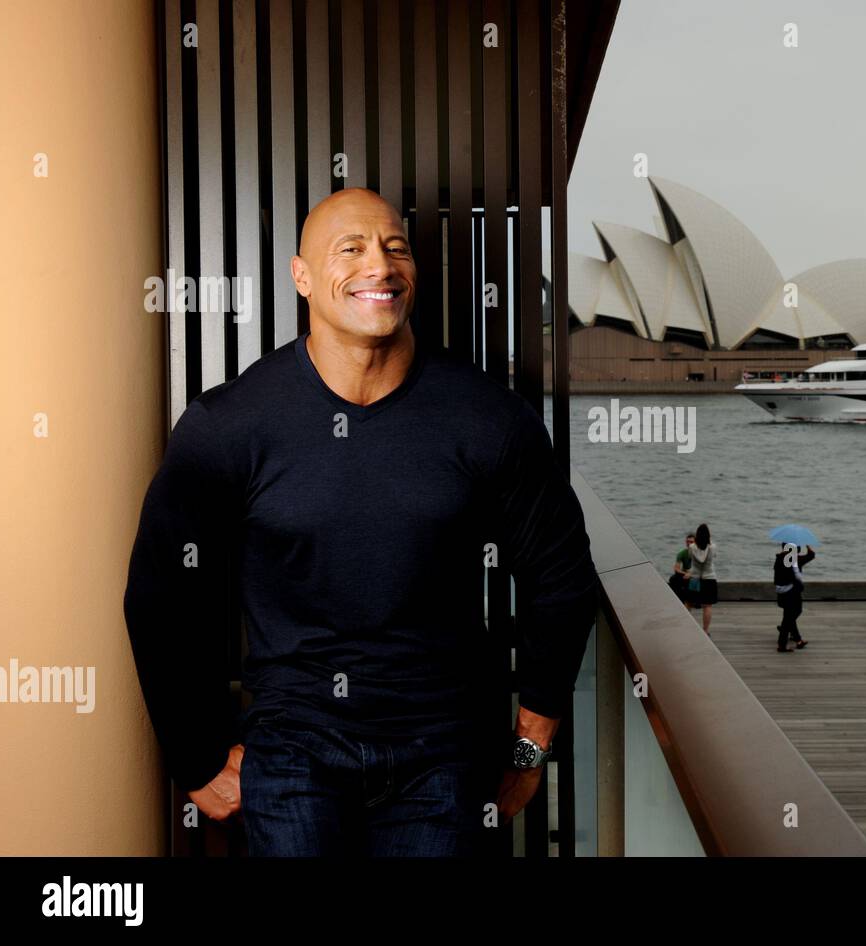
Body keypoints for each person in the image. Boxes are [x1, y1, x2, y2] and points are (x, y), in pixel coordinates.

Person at [123, 187, 598, 857]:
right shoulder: (229, 425)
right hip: (293, 750)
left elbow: (560, 574)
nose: (380, 265)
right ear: (303, 277)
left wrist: (531, 737)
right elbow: (159, 595)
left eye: (395, 248)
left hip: (445, 750)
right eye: (352, 249)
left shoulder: (487, 416)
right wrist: (198, 755)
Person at [773, 542, 816, 652]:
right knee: (790, 616)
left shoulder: (779, 558)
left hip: (781, 592)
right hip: (791, 593)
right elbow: (811, 555)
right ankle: (782, 643)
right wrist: (807, 544)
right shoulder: (793, 559)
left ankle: (797, 640)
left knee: (789, 616)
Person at [687, 523, 719, 635]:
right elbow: (714, 557)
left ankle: (687, 627)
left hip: (695, 578)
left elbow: (690, 557)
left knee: (689, 603)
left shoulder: (691, 547)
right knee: (707, 605)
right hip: (709, 578)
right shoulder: (712, 547)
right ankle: (705, 630)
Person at [668, 533, 696, 606]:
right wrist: (685, 573)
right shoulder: (682, 553)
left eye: (691, 542)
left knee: (694, 579)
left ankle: (694, 600)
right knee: (673, 579)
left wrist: (690, 574)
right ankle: (679, 601)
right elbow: (676, 568)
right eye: (687, 542)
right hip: (685, 575)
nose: (689, 544)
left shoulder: (699, 553)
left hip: (696, 575)